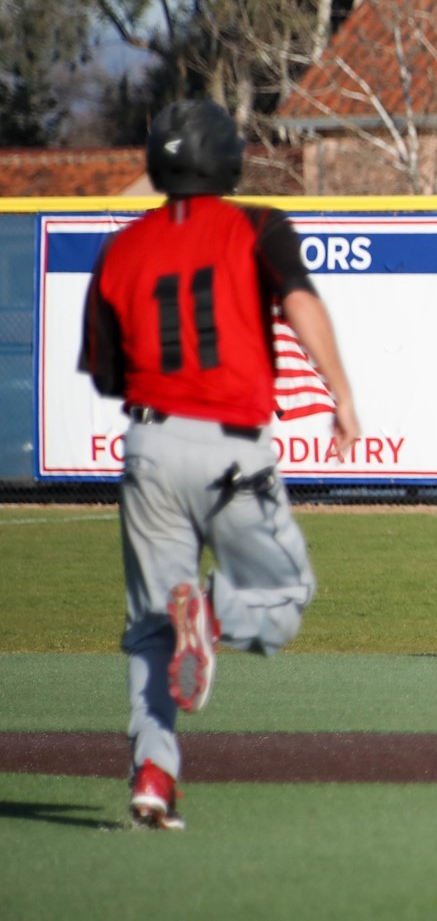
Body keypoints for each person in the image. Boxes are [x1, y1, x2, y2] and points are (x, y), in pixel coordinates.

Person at [80, 100, 360, 829]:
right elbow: (299, 300)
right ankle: (206, 613)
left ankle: (152, 773)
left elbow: (107, 372)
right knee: (283, 593)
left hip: (148, 445)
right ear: (227, 158)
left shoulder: (122, 248)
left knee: (149, 625)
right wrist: (341, 391)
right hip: (232, 447)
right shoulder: (256, 224)